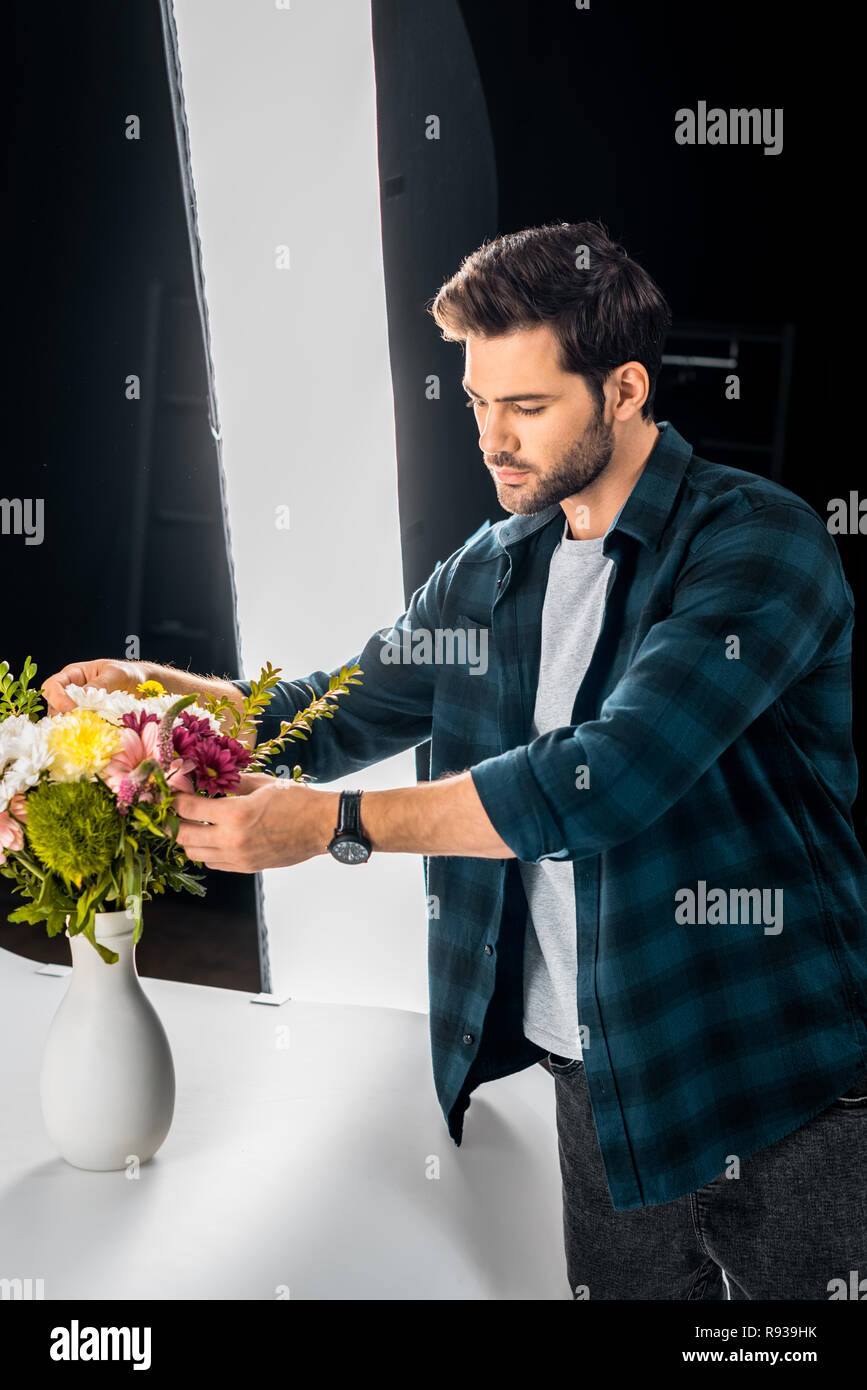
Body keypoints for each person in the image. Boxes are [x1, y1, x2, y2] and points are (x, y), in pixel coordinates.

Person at [43, 221, 867, 1300]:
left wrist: (333, 827)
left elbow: (606, 776)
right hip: (603, 1080)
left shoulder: (759, 543)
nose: (491, 438)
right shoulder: (493, 567)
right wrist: (181, 696)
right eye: (478, 401)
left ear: (623, 390)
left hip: (778, 1078)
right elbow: (338, 711)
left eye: (526, 406)